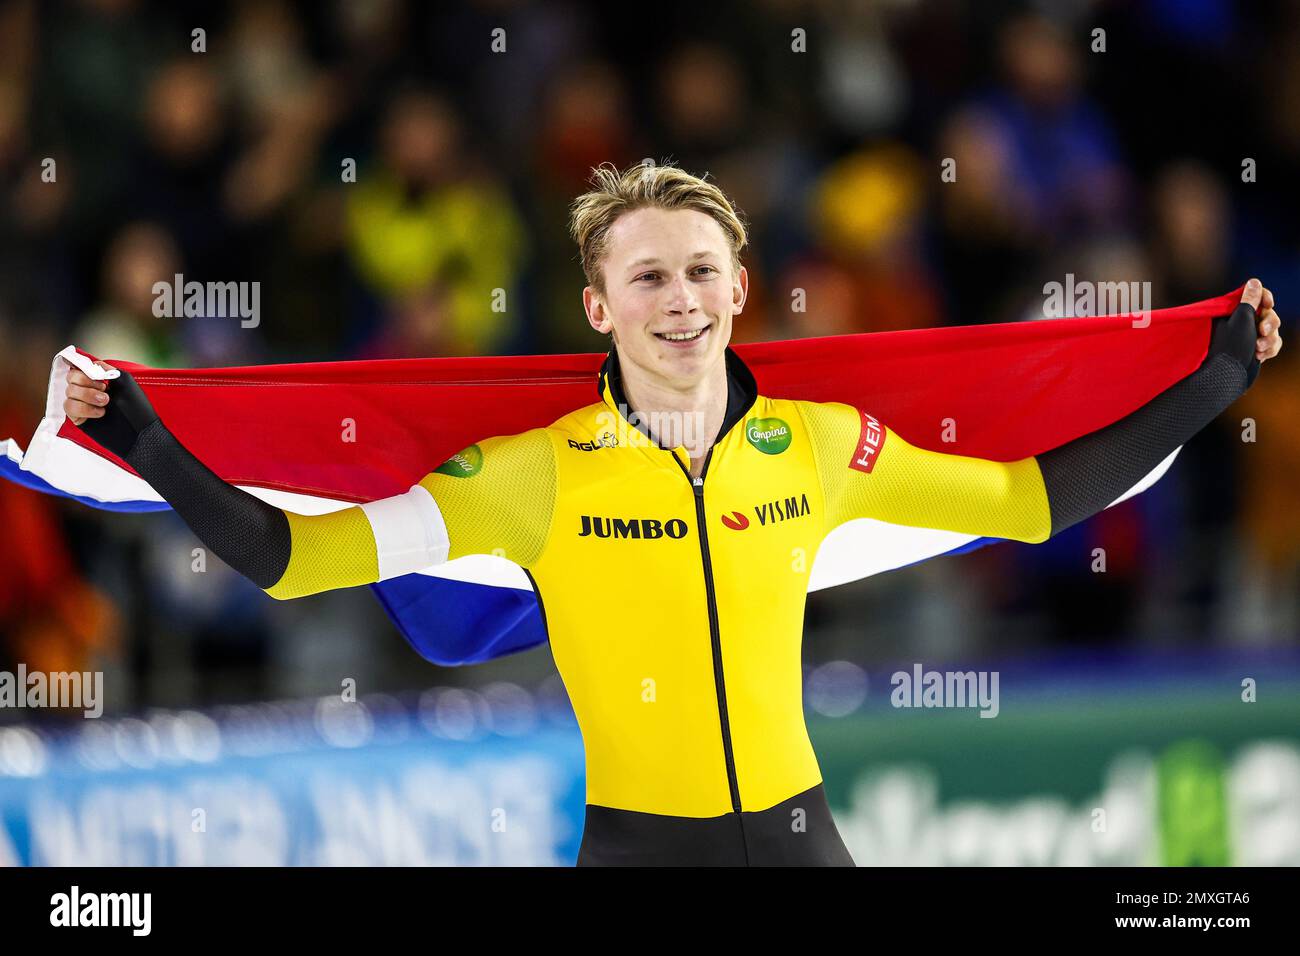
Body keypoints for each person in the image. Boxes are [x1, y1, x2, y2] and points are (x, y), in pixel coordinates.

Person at [63, 161, 1283, 866]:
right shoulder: (533, 473)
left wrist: (1213, 380)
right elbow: (291, 558)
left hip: (805, 842)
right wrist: (148, 441)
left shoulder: (818, 443)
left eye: (700, 270)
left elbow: (1029, 500)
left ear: (740, 289)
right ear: (597, 305)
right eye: (646, 274)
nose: (679, 298)